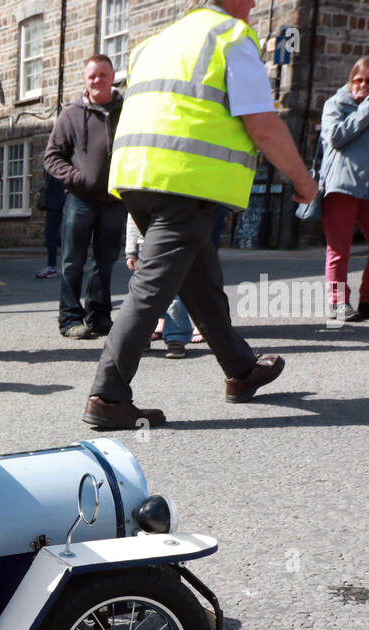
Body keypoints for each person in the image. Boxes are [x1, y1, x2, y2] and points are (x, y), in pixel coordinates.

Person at [83, 0, 317, 429]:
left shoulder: (155, 42)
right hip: (186, 180)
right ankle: (107, 395)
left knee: (200, 281)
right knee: (151, 290)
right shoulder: (230, 36)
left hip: (139, 174)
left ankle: (242, 370)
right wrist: (303, 182)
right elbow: (262, 123)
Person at [45, 54, 126, 340]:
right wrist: (78, 177)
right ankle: (69, 320)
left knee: (105, 262)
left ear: (113, 76)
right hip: (80, 199)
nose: (97, 81)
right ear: (85, 79)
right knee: (72, 261)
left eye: (103, 75)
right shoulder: (71, 114)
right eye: (92, 76)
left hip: (115, 200)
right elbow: (52, 157)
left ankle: (100, 317)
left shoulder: (127, 111)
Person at [317, 57, 369, 324]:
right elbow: (336, 137)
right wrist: (367, 109)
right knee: (339, 248)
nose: (362, 85)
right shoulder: (336, 104)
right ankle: (338, 302)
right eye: (358, 80)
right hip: (341, 186)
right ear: (350, 79)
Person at [125, 216, 195, 358]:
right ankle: (141, 335)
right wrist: (131, 251)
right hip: (146, 245)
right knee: (144, 293)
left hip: (175, 239)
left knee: (175, 291)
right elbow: (132, 218)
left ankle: (176, 337)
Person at [35, 170, 67, 279]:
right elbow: (49, 183)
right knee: (53, 236)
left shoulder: (57, 161)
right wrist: (41, 190)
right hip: (55, 202)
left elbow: (60, 182)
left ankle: (52, 268)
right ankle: (77, 253)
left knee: (50, 235)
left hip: (57, 202)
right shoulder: (53, 160)